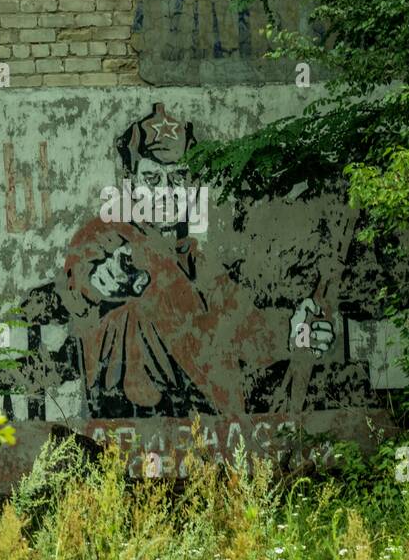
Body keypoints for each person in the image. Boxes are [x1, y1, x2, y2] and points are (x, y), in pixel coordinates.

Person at [57, 103, 333, 417]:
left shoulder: (200, 266)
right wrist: (102, 278)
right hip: (130, 416)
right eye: (152, 178)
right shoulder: (107, 233)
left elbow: (248, 329)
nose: (165, 191)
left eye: (177, 178)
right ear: (130, 183)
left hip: (201, 428)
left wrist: (297, 332)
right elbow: (82, 272)